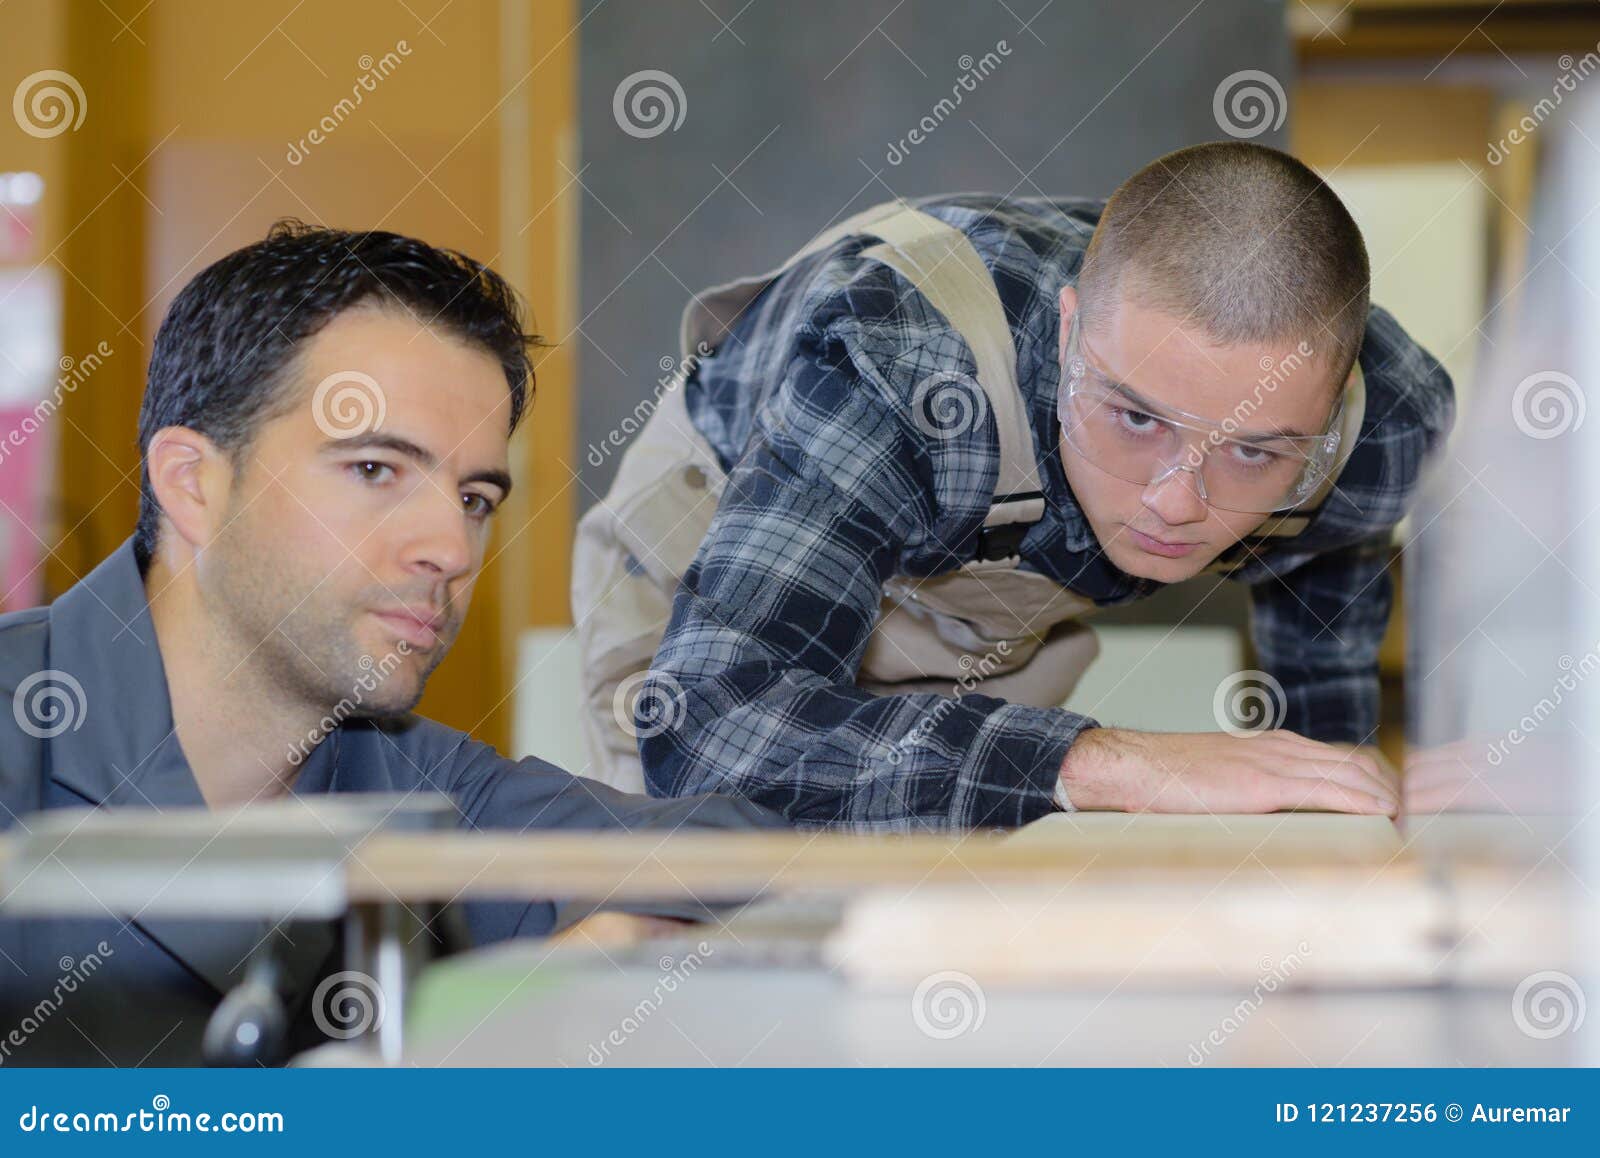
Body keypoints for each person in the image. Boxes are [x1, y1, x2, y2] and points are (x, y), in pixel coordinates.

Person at [0, 223, 783, 1065]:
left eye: (475, 498)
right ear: (193, 483)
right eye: (375, 469)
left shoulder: (422, 784)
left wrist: (547, 996)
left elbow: (759, 862)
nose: (451, 548)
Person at [574, 141, 1454, 828]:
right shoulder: (905, 368)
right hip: (727, 549)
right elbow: (715, 725)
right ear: (1071, 334)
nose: (1177, 504)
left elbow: (1330, 579)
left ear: (1333, 412)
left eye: (1254, 453)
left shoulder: (1388, 433)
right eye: (1137, 418)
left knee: (962, 889)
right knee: (707, 900)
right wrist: (1120, 764)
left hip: (960, 594)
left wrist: (1334, 787)